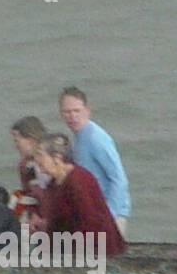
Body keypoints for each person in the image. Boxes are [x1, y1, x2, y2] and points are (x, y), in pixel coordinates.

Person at [32, 134, 126, 257]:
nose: (36, 160)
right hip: (68, 249)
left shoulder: (79, 181)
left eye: (40, 155)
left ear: (57, 157)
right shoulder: (53, 183)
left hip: (98, 252)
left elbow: (91, 223)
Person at [58, 87, 130, 236]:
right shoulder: (79, 138)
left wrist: (109, 214)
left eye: (77, 111)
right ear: (61, 114)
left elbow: (118, 177)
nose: (72, 116)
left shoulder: (95, 138)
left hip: (109, 216)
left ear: (87, 111)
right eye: (67, 112)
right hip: (93, 215)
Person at [10, 116, 49, 223]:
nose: (16, 146)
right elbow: (29, 195)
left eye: (17, 141)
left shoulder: (52, 165)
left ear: (30, 141)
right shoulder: (25, 166)